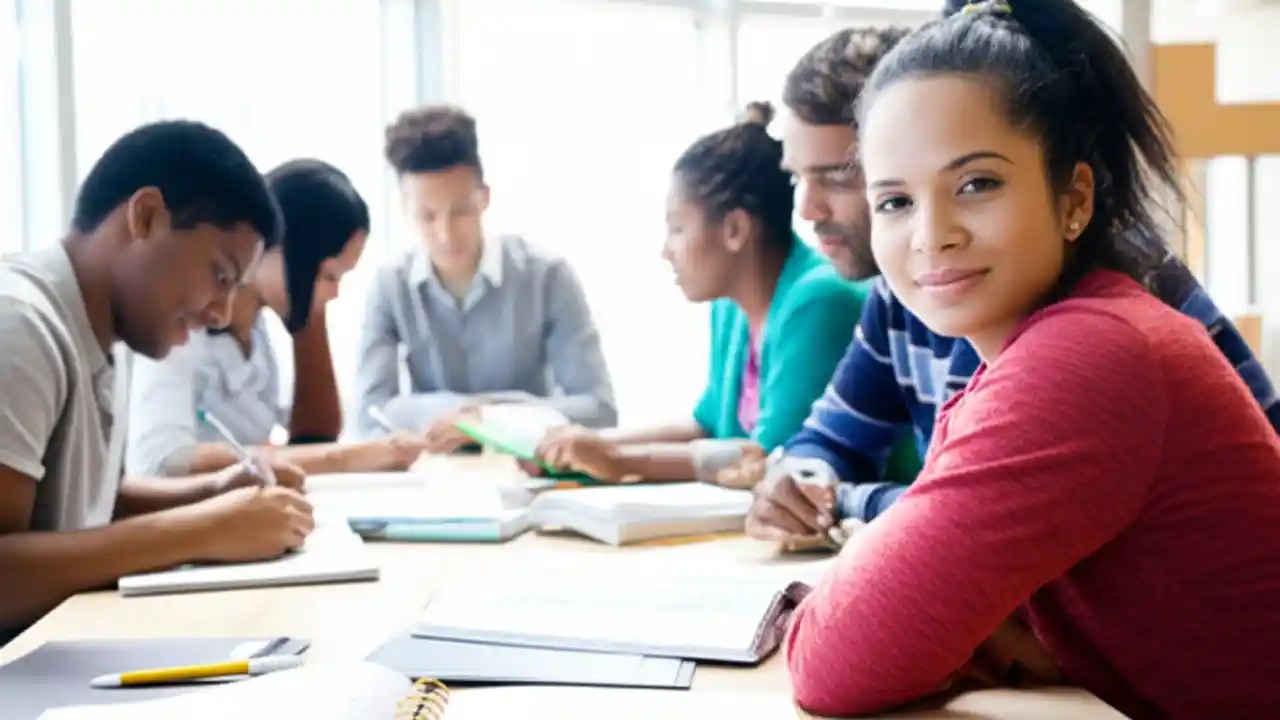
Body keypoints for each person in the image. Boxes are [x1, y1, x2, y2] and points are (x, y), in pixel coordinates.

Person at [784, 2, 1280, 717]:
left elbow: (832, 664)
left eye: (976, 184)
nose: (932, 235)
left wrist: (868, 562)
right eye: (893, 201)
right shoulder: (1051, 343)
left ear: (1073, 199)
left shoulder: (1091, 356)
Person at [742, 22, 1280, 540]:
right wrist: (802, 480)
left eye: (975, 183)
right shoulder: (910, 297)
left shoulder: (1091, 318)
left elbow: (967, 515)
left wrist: (854, 500)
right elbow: (834, 445)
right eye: (895, 198)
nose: (807, 209)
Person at [0, 121, 315, 639]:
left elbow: (80, 508)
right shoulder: (20, 325)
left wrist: (214, 492)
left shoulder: (98, 334)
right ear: (146, 217)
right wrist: (202, 530)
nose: (221, 313)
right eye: (220, 275)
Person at [534, 105, 866, 483]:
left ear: (735, 230)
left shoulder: (818, 301)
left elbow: (768, 458)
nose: (667, 251)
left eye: (677, 228)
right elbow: (705, 425)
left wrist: (621, 460)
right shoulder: (731, 306)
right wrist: (587, 445)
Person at [127, 159, 427, 477]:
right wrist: (345, 458)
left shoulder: (257, 328)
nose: (335, 293)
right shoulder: (179, 323)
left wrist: (308, 316)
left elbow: (315, 435)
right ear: (276, 247)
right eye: (329, 275)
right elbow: (160, 463)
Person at [354, 105, 616, 451]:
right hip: (431, 470)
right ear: (405, 209)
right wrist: (469, 413)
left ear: (485, 198)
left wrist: (487, 420)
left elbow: (599, 410)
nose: (446, 234)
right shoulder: (390, 286)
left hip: (528, 466)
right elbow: (369, 417)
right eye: (427, 216)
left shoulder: (547, 276)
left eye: (461, 211)